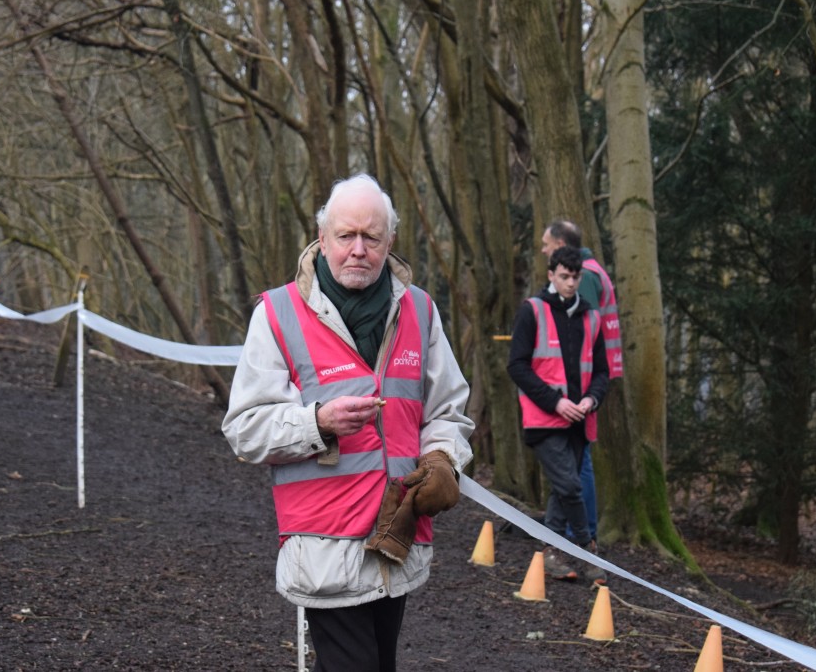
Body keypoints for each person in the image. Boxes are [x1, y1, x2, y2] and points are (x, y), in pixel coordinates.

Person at [222, 173, 474, 671]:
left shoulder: (420, 310)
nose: (358, 249)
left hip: (397, 533)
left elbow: (447, 410)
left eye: (371, 237)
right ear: (322, 238)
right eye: (345, 236)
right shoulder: (277, 313)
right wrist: (317, 423)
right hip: (323, 543)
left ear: (390, 241)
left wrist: (445, 457)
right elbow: (244, 428)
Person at [508, 245, 609, 585]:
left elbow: (602, 373)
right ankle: (589, 551)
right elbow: (517, 366)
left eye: (575, 277)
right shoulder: (532, 311)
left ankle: (550, 553)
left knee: (563, 490)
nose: (570, 283)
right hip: (543, 419)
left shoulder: (592, 317)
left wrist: (592, 400)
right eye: (564, 277)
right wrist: (555, 402)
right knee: (570, 485)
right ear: (551, 275)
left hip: (581, 420)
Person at [541, 220, 623, 544]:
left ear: (561, 245)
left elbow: (582, 331)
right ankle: (578, 529)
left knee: (580, 457)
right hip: (588, 382)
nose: (544, 250)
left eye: (547, 244)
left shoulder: (583, 276)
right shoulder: (592, 270)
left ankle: (581, 532)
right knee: (578, 455)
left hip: (583, 385)